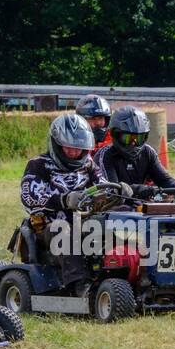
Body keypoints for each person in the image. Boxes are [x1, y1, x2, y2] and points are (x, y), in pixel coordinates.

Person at [19, 113, 111, 291]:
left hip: (82, 220)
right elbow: (29, 199)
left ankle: (118, 274)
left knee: (112, 222)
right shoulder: (38, 165)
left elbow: (103, 186)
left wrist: (122, 191)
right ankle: (79, 285)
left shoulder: (89, 165)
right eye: (68, 148)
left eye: (78, 149)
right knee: (62, 229)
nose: (74, 152)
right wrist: (64, 200)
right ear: (56, 144)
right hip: (48, 227)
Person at [96, 105, 175, 195]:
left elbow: (165, 181)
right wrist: (139, 189)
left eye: (138, 138)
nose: (133, 143)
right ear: (115, 134)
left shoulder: (148, 152)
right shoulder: (105, 156)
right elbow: (111, 190)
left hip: (141, 205)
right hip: (112, 207)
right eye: (128, 138)